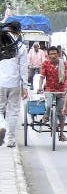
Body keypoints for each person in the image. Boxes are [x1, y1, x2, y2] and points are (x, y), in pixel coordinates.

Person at [0, 20, 28, 148]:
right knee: (13, 111)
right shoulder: (21, 47)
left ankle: (2, 125)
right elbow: (23, 69)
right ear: (18, 30)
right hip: (15, 82)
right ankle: (10, 140)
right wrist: (25, 87)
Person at [38, 46, 67, 141]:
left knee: (61, 113)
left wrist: (66, 86)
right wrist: (40, 87)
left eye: (54, 53)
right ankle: (46, 115)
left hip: (61, 90)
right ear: (48, 55)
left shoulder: (63, 64)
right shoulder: (45, 64)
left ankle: (61, 133)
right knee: (48, 105)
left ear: (58, 54)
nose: (53, 56)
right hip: (49, 90)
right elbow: (42, 76)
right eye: (51, 54)